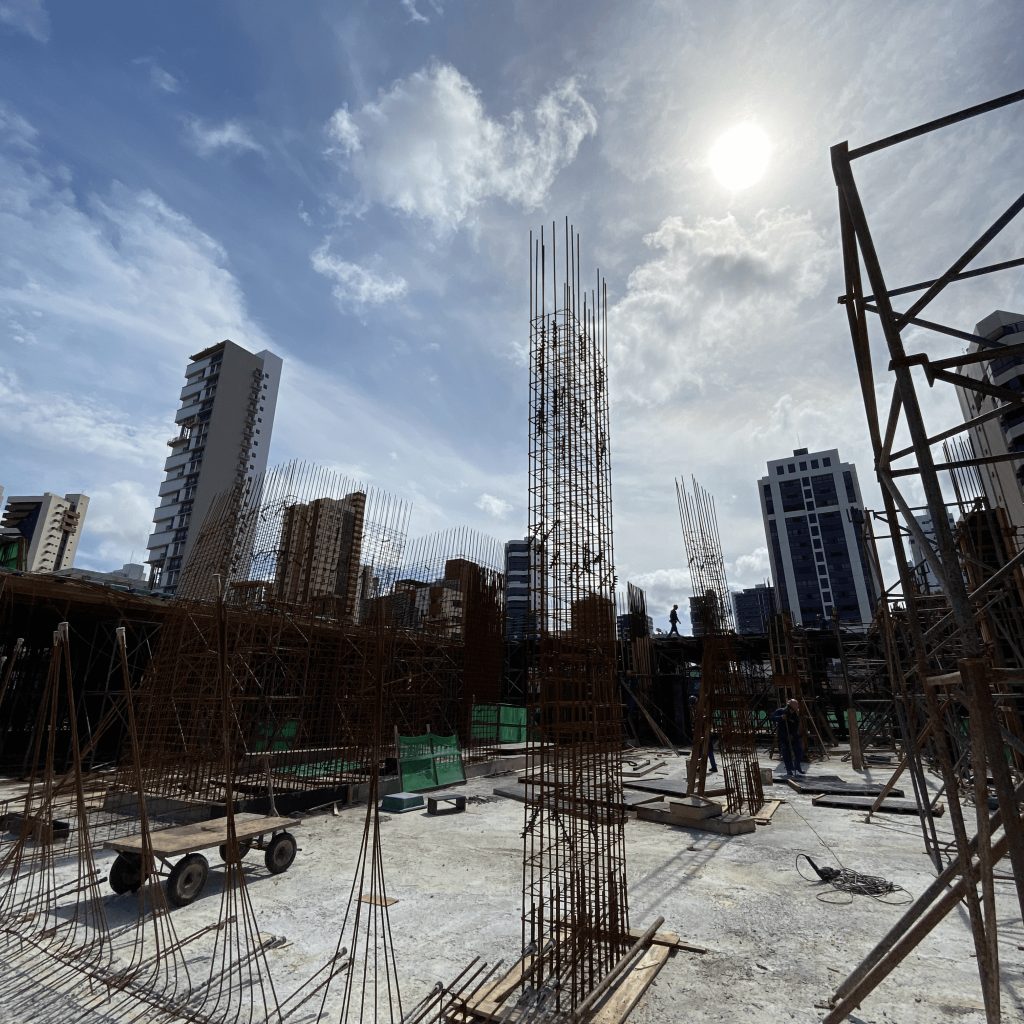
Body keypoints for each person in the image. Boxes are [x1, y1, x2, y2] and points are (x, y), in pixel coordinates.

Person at [771, 698, 805, 777]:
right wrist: (781, 718)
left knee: (799, 750)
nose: (797, 706)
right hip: (783, 736)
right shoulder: (781, 711)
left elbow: (796, 725)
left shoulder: (795, 714)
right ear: (791, 705)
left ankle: (797, 766)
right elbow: (772, 717)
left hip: (793, 736)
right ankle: (789, 770)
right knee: (786, 753)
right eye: (796, 705)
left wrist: (793, 735)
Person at [689, 694, 717, 773]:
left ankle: (703, 766)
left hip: (705, 732)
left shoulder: (700, 710)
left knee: (705, 751)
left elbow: (702, 721)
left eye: (693, 705)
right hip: (704, 732)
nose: (692, 706)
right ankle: (712, 766)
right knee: (707, 751)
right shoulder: (697, 709)